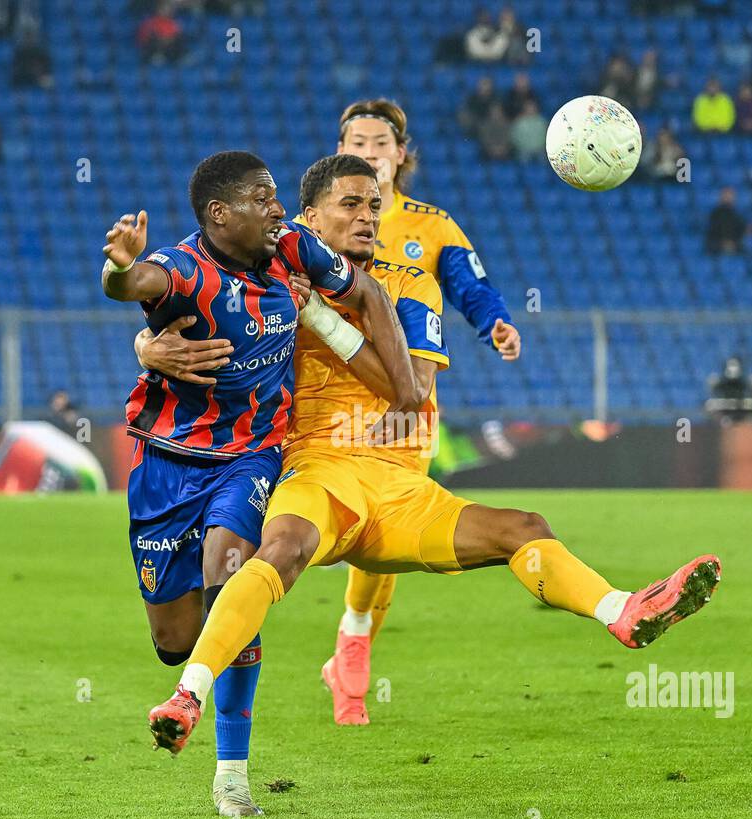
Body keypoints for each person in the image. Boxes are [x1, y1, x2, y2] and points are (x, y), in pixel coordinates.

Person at [141, 156, 722, 757]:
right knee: (279, 550)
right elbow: (186, 303)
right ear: (309, 217)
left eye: (374, 205)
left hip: (400, 486)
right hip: (316, 470)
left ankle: (621, 610)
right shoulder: (267, 278)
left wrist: (319, 314)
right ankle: (188, 695)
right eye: (350, 205)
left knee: (524, 528)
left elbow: (410, 390)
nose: (368, 217)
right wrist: (147, 345)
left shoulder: (409, 283)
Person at [103, 150, 418, 814]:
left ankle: (231, 776)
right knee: (175, 641)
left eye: (277, 196)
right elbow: (132, 285)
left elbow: (367, 291)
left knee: (233, 578)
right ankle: (199, 663)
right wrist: (120, 270)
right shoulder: (183, 269)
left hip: (251, 458)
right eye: (262, 198)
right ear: (220, 214)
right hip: (166, 464)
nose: (278, 209)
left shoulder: (293, 249)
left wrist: (407, 391)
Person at [307, 99, 521, 724]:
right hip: (323, 403)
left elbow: (469, 285)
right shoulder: (314, 223)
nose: (370, 152)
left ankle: (353, 635)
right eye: (358, 142)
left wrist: (495, 323)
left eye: (381, 143)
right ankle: (342, 645)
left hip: (404, 403)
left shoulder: (431, 225)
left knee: (386, 527)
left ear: (401, 154)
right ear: (341, 150)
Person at [704, 356, 752, 425]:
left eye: (735, 366)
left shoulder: (744, 382)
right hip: (725, 412)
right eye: (731, 366)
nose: (733, 370)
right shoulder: (721, 383)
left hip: (742, 411)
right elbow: (711, 399)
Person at [706, 186, 746, 254]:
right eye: (726, 195)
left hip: (735, 245)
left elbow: (741, 231)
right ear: (721, 197)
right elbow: (714, 231)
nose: (728, 198)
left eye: (730, 195)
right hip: (717, 246)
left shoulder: (737, 215)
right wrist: (724, 242)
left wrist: (733, 242)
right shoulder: (715, 215)